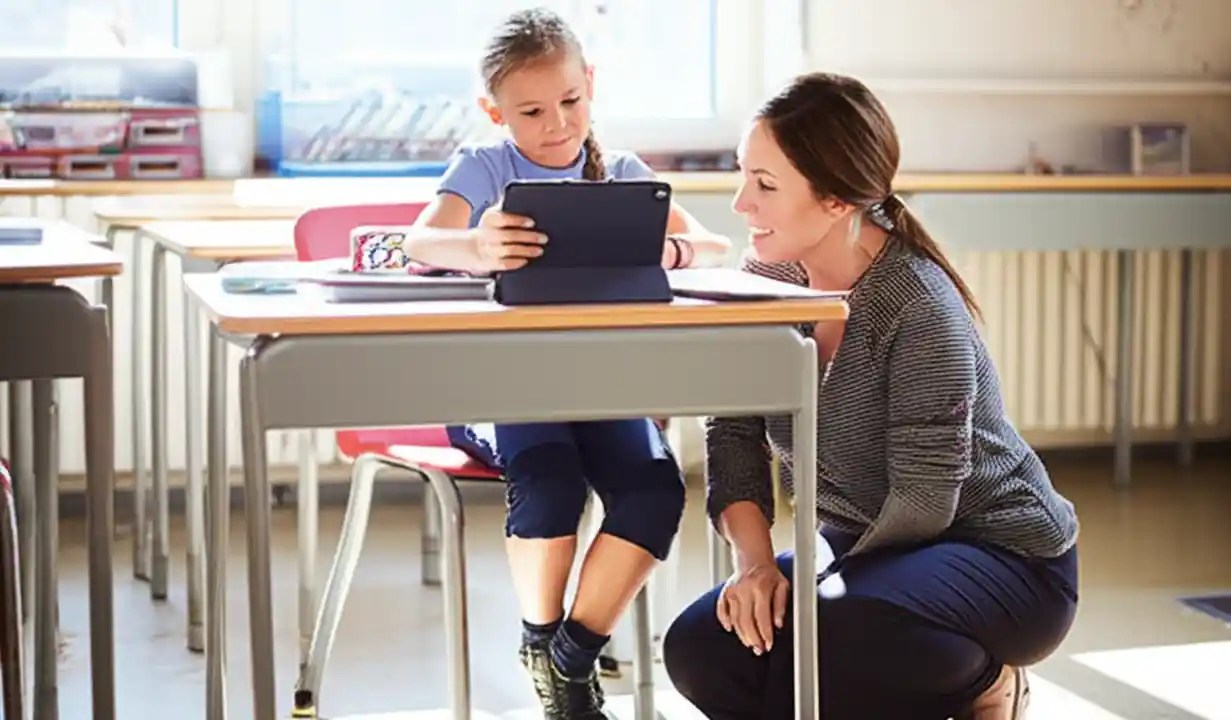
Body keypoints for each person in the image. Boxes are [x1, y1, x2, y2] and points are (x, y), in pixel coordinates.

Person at [662, 72, 1081, 720]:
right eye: (743, 175)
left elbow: (922, 500)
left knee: (829, 635)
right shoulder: (762, 281)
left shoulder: (918, 305)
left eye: (765, 185)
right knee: (702, 648)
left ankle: (988, 682)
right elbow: (733, 436)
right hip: (866, 548)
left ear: (836, 202)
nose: (742, 204)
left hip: (1006, 561)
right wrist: (755, 569)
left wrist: (815, 591)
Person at [392, 8, 731, 719]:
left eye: (571, 101)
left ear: (592, 85)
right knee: (551, 484)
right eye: (532, 110)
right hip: (507, 387)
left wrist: (667, 252)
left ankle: (570, 655)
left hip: (607, 387)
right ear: (495, 111)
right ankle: (540, 639)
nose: (557, 123)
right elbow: (420, 244)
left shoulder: (627, 174)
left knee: (653, 491)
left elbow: (715, 248)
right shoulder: (483, 168)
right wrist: (477, 248)